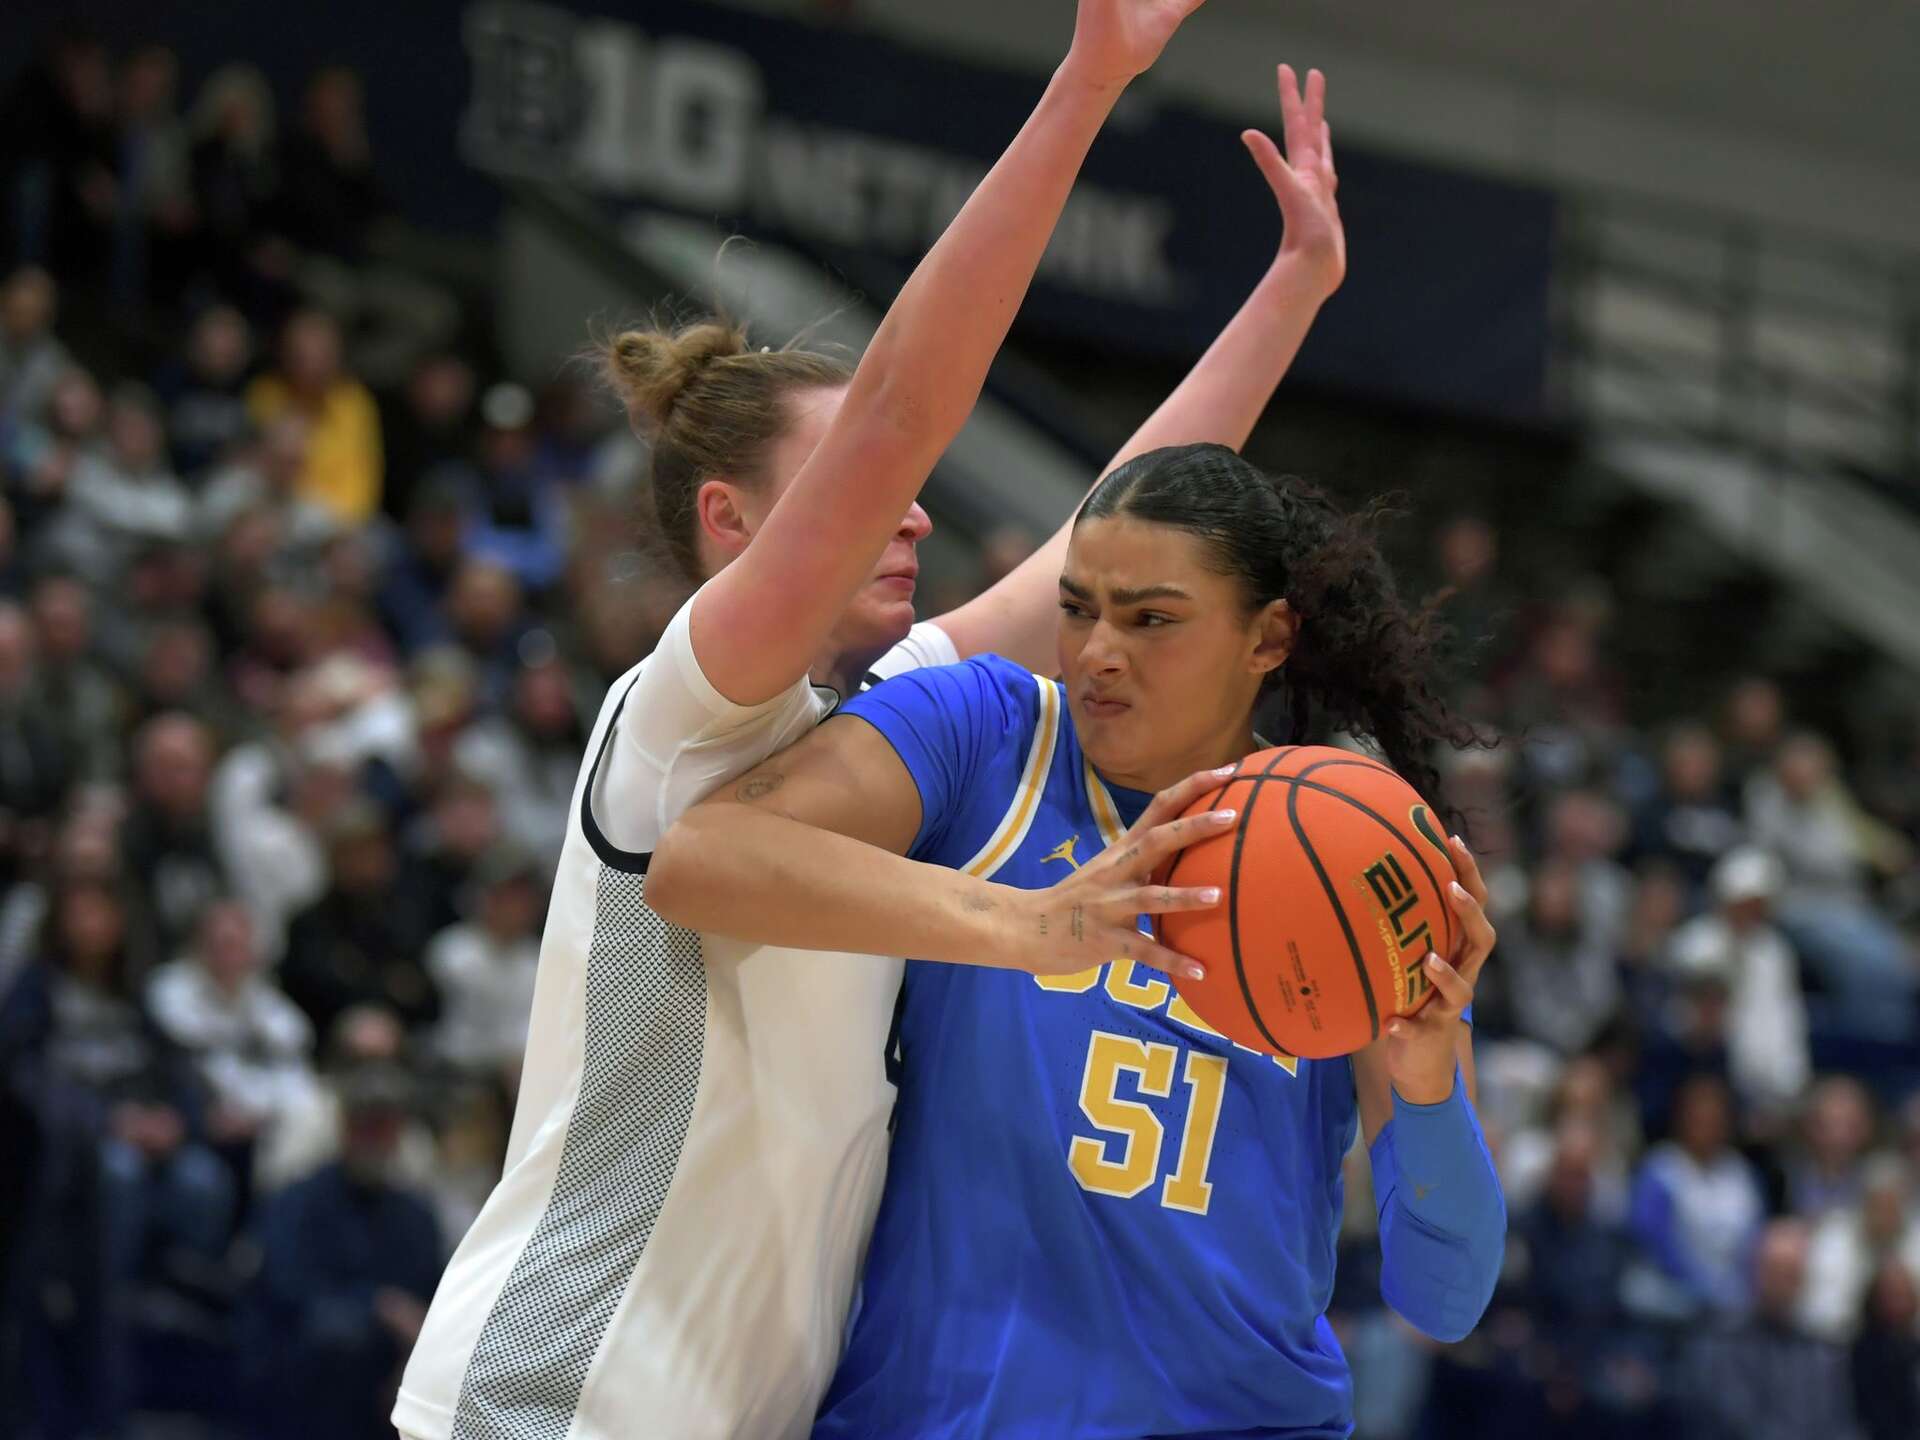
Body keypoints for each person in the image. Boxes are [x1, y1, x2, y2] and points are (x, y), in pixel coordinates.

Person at [396, 14, 1351, 1439]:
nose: (909, 506)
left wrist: (1295, 287)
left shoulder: (891, 707)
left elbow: (1123, 517)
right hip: (562, 1401)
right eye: (853, 478)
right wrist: (1090, 84)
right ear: (732, 524)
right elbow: (908, 404)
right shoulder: (683, 705)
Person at [649, 442, 1504, 1435]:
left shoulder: (1351, 861)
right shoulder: (986, 735)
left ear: (1268, 637)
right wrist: (1029, 921)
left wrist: (1430, 1079)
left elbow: (1445, 1296)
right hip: (939, 1414)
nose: (1100, 650)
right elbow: (698, 860)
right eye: (1077, 608)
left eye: (1151, 620)